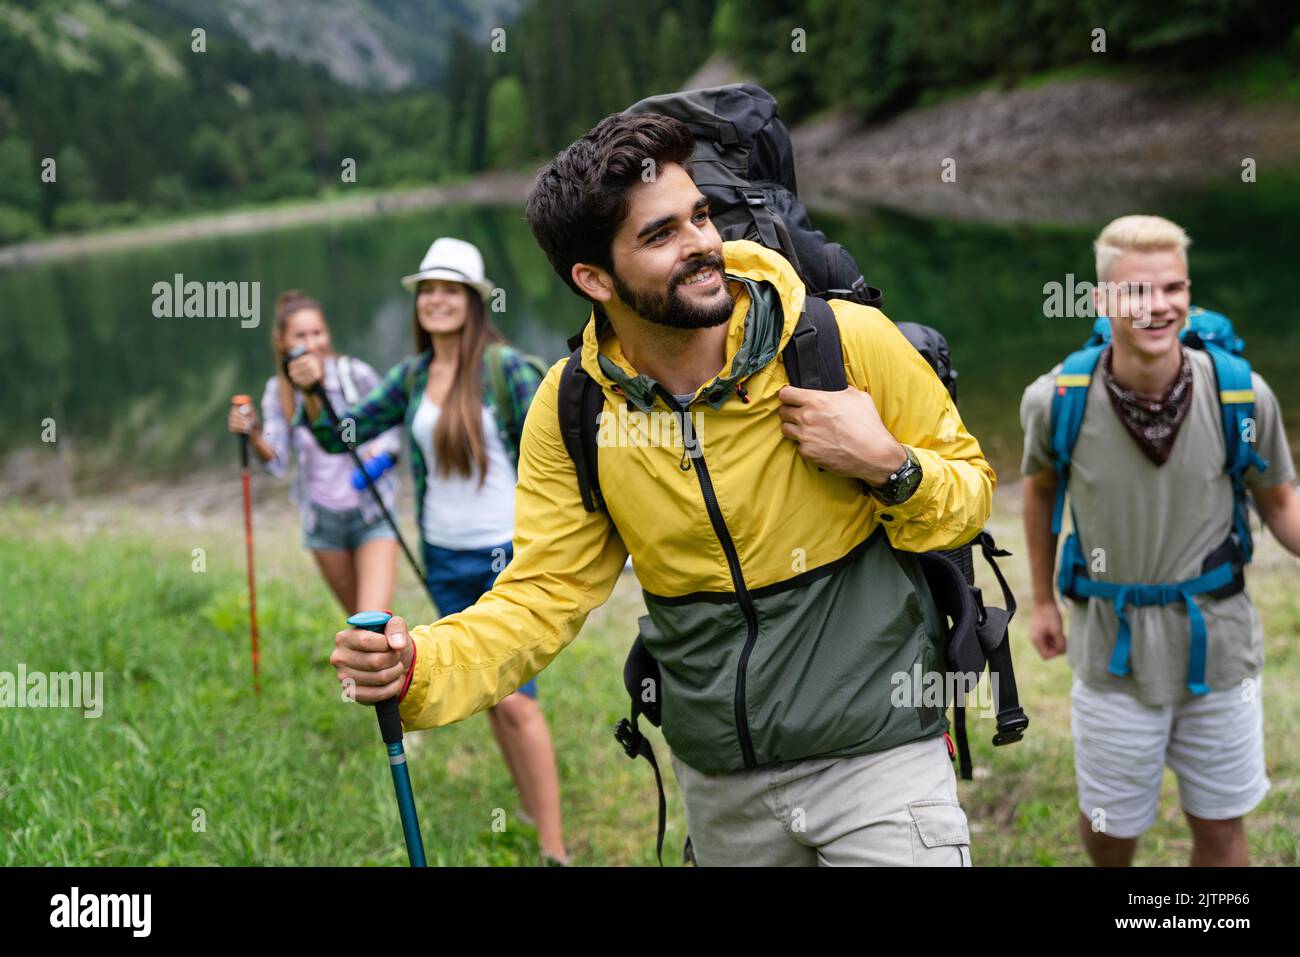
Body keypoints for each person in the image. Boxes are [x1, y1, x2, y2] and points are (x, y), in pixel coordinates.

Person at [328, 114, 995, 866]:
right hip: (721, 785)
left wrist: (889, 464)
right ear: (593, 278)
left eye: (700, 215)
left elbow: (968, 498)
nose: (703, 244)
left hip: (880, 758)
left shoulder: (839, 342)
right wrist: (419, 666)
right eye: (661, 234)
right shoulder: (572, 406)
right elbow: (541, 594)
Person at [1020, 215, 1300, 866]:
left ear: (1189, 291)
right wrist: (1040, 600)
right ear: (1100, 301)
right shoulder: (1054, 400)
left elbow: (1282, 502)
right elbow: (1037, 493)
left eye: (1173, 288)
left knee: (1222, 826)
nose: (1158, 306)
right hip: (1110, 650)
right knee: (1112, 829)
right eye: (1137, 291)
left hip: (1220, 651)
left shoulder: (1241, 396)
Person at [291, 238, 570, 865]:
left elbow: (557, 461)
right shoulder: (413, 376)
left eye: (450, 289)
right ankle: (528, 808)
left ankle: (555, 850)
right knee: (489, 695)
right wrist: (312, 392)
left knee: (520, 706)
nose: (437, 300)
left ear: (474, 301)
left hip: (505, 556)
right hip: (443, 556)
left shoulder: (508, 369)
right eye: (428, 290)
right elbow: (345, 437)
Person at [228, 289, 399, 614]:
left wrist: (377, 463)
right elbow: (276, 461)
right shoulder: (277, 393)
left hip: (372, 513)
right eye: (300, 336)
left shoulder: (354, 374)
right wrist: (251, 433)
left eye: (318, 333)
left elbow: (390, 429)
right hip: (323, 523)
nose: (312, 343)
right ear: (281, 341)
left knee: (375, 623)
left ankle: (407, 663)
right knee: (358, 622)